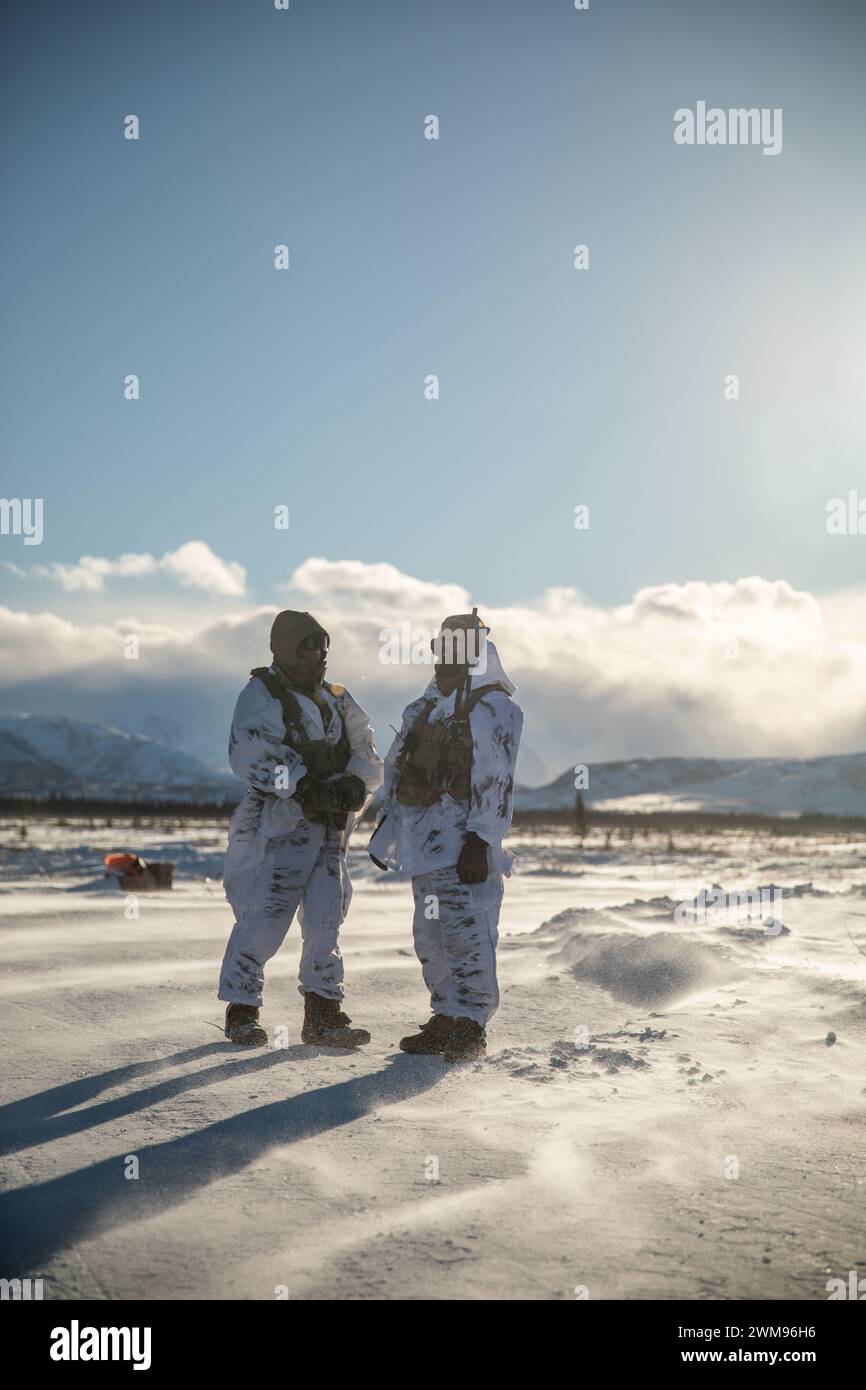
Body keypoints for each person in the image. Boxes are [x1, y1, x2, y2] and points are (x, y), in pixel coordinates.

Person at [219, 610, 382, 1047]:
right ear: (285, 647)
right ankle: (242, 1010)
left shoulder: (338, 697)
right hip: (279, 824)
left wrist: (355, 782)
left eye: (321, 645)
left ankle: (323, 1014)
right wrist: (300, 783)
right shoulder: (262, 693)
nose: (317, 654)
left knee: (326, 919)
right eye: (307, 645)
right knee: (264, 917)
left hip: (329, 829)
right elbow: (249, 752)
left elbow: (365, 745)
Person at [368, 610, 523, 1062]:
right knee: (430, 936)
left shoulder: (495, 708)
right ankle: (445, 1015)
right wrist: (388, 830)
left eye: (456, 650)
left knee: (468, 933)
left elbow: (496, 779)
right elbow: (399, 772)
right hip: (424, 845)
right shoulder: (427, 708)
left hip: (463, 847)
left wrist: (480, 838)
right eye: (441, 648)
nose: (444, 659)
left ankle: (470, 1023)